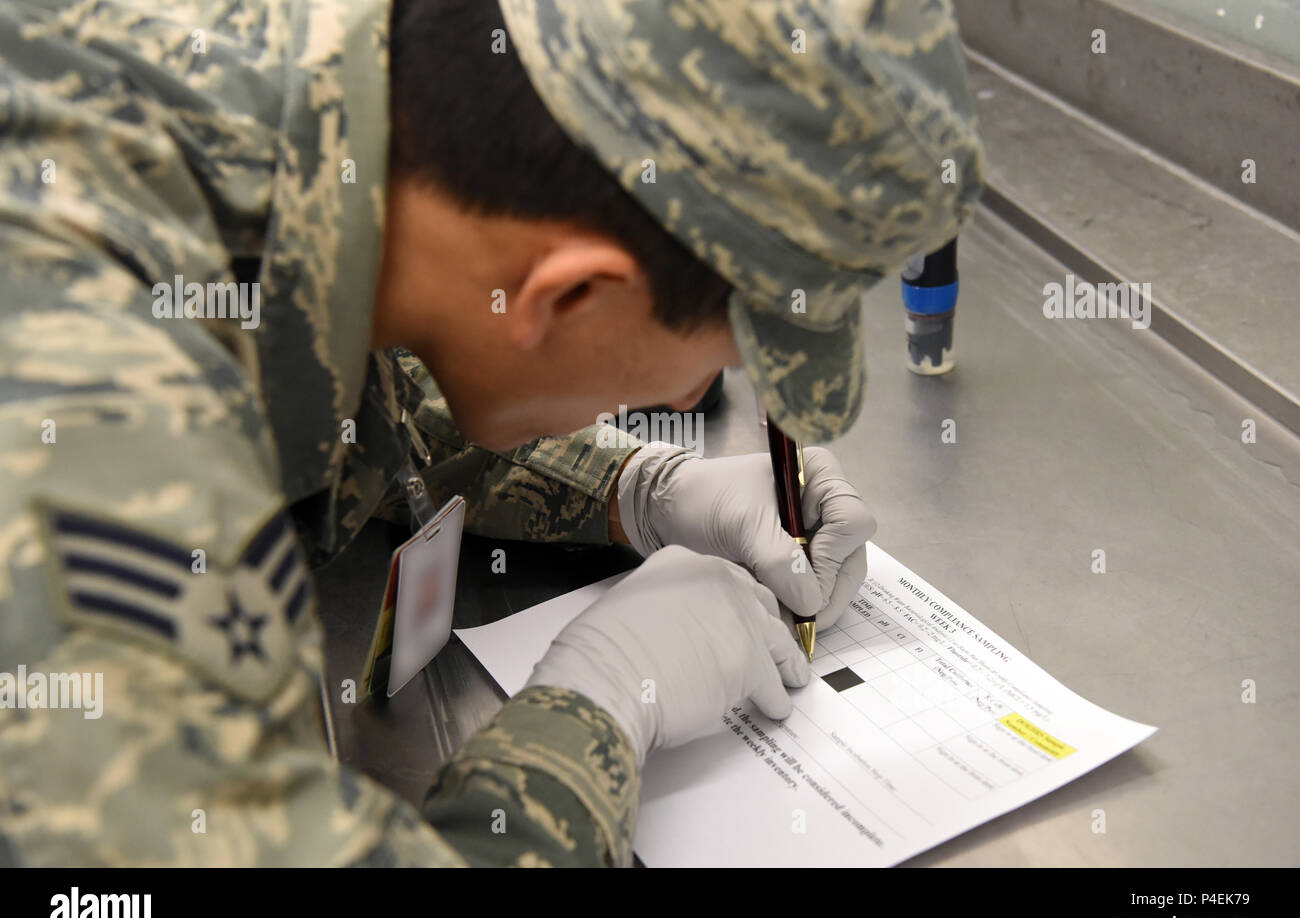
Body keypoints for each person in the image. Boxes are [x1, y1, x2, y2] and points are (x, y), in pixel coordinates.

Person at [0, 0, 983, 865]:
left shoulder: (305, 105)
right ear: (571, 293)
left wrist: (636, 488)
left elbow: (367, 377)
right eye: (719, 359)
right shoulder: (94, 395)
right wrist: (598, 712)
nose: (704, 392)